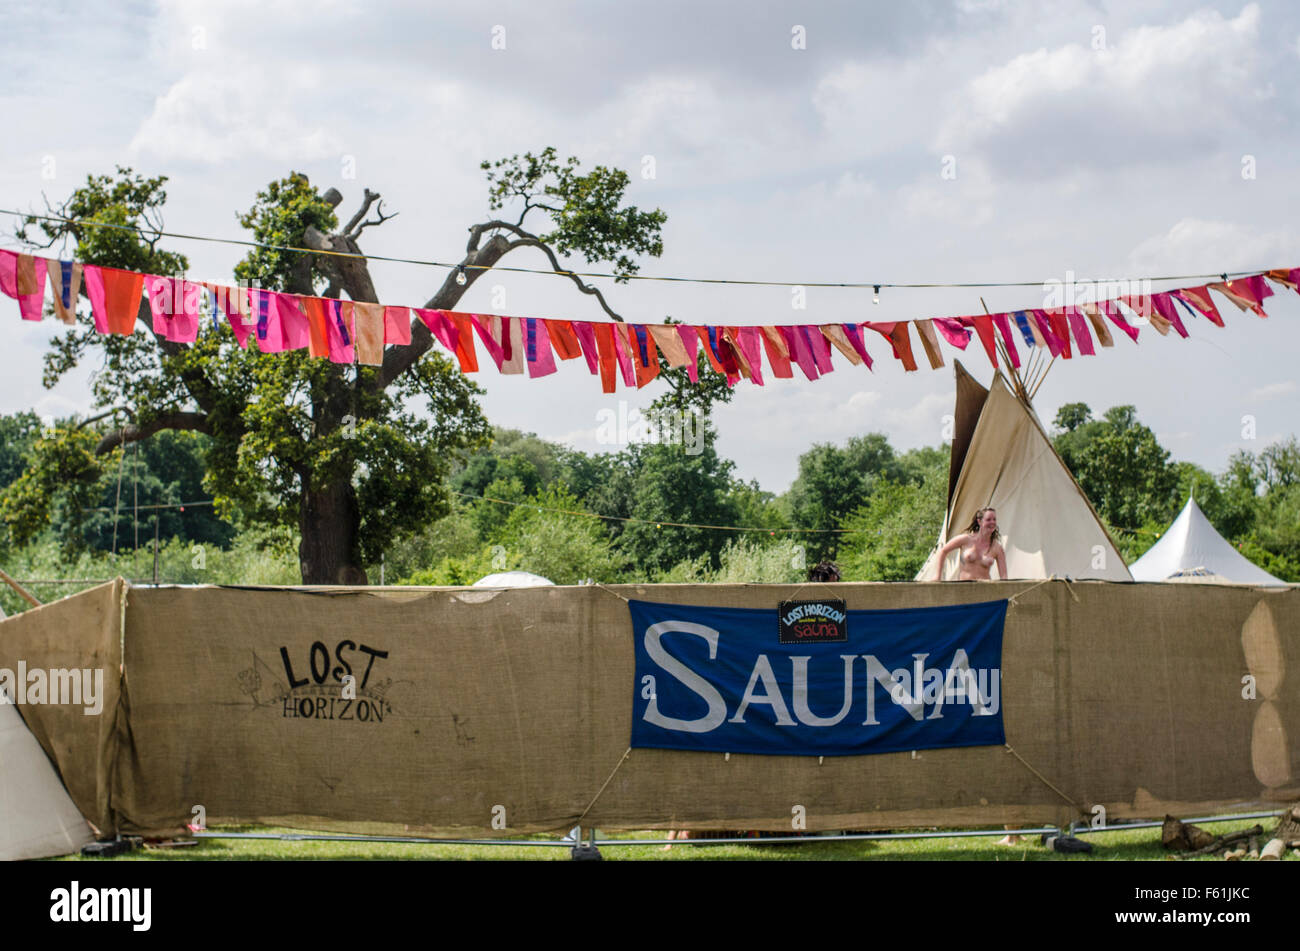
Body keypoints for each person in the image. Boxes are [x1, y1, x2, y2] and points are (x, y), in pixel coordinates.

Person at [932, 507, 1007, 582]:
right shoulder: (965, 539)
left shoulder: (997, 547)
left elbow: (1004, 576)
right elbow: (943, 551)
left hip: (985, 589)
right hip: (964, 587)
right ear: (979, 521)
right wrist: (937, 576)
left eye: (994, 519)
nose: (992, 522)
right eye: (988, 520)